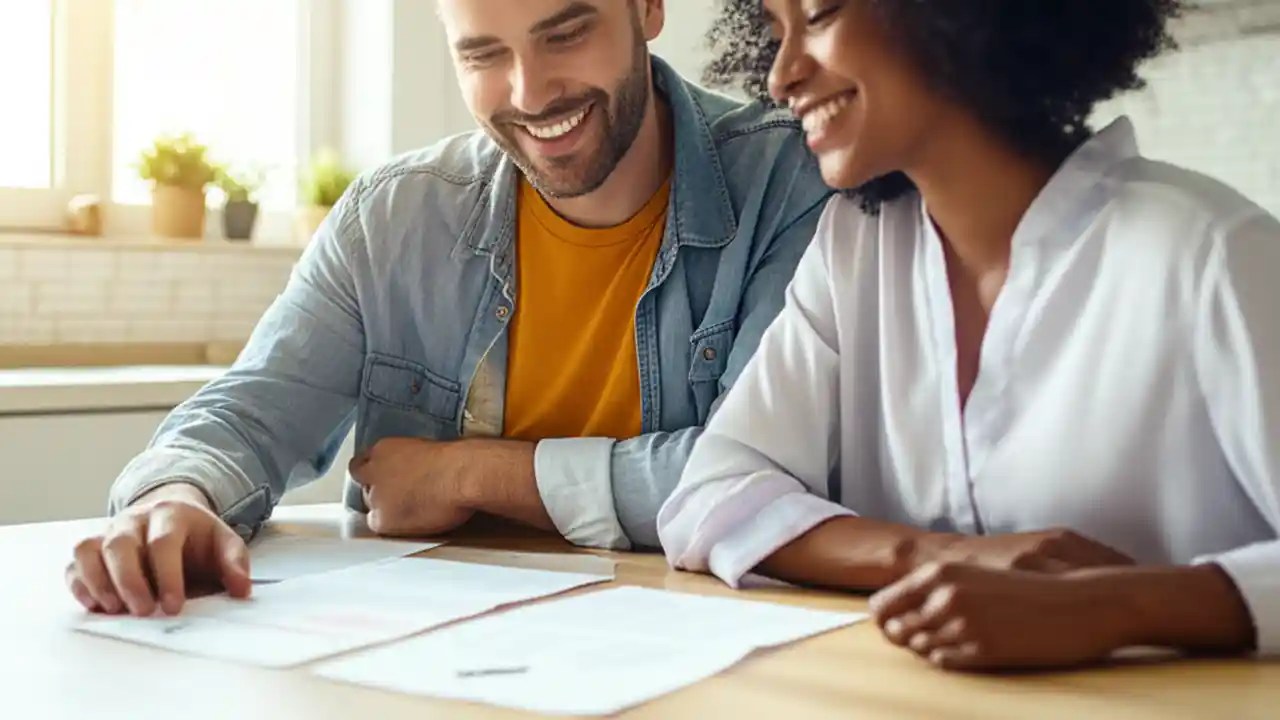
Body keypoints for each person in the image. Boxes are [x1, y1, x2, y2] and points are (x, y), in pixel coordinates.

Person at [64, 0, 830, 618]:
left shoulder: (787, 181)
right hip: (441, 653)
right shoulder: (396, 217)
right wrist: (174, 498)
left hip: (701, 648)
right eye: (483, 54)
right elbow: (246, 418)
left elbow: (762, 475)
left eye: (565, 33)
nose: (529, 93)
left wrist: (472, 475)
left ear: (647, 9)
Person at [658, 0, 1280, 672]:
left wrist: (1116, 607)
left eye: (819, 15)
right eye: (775, 32)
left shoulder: (1211, 252)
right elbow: (707, 497)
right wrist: (944, 556)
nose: (782, 75)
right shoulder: (853, 250)